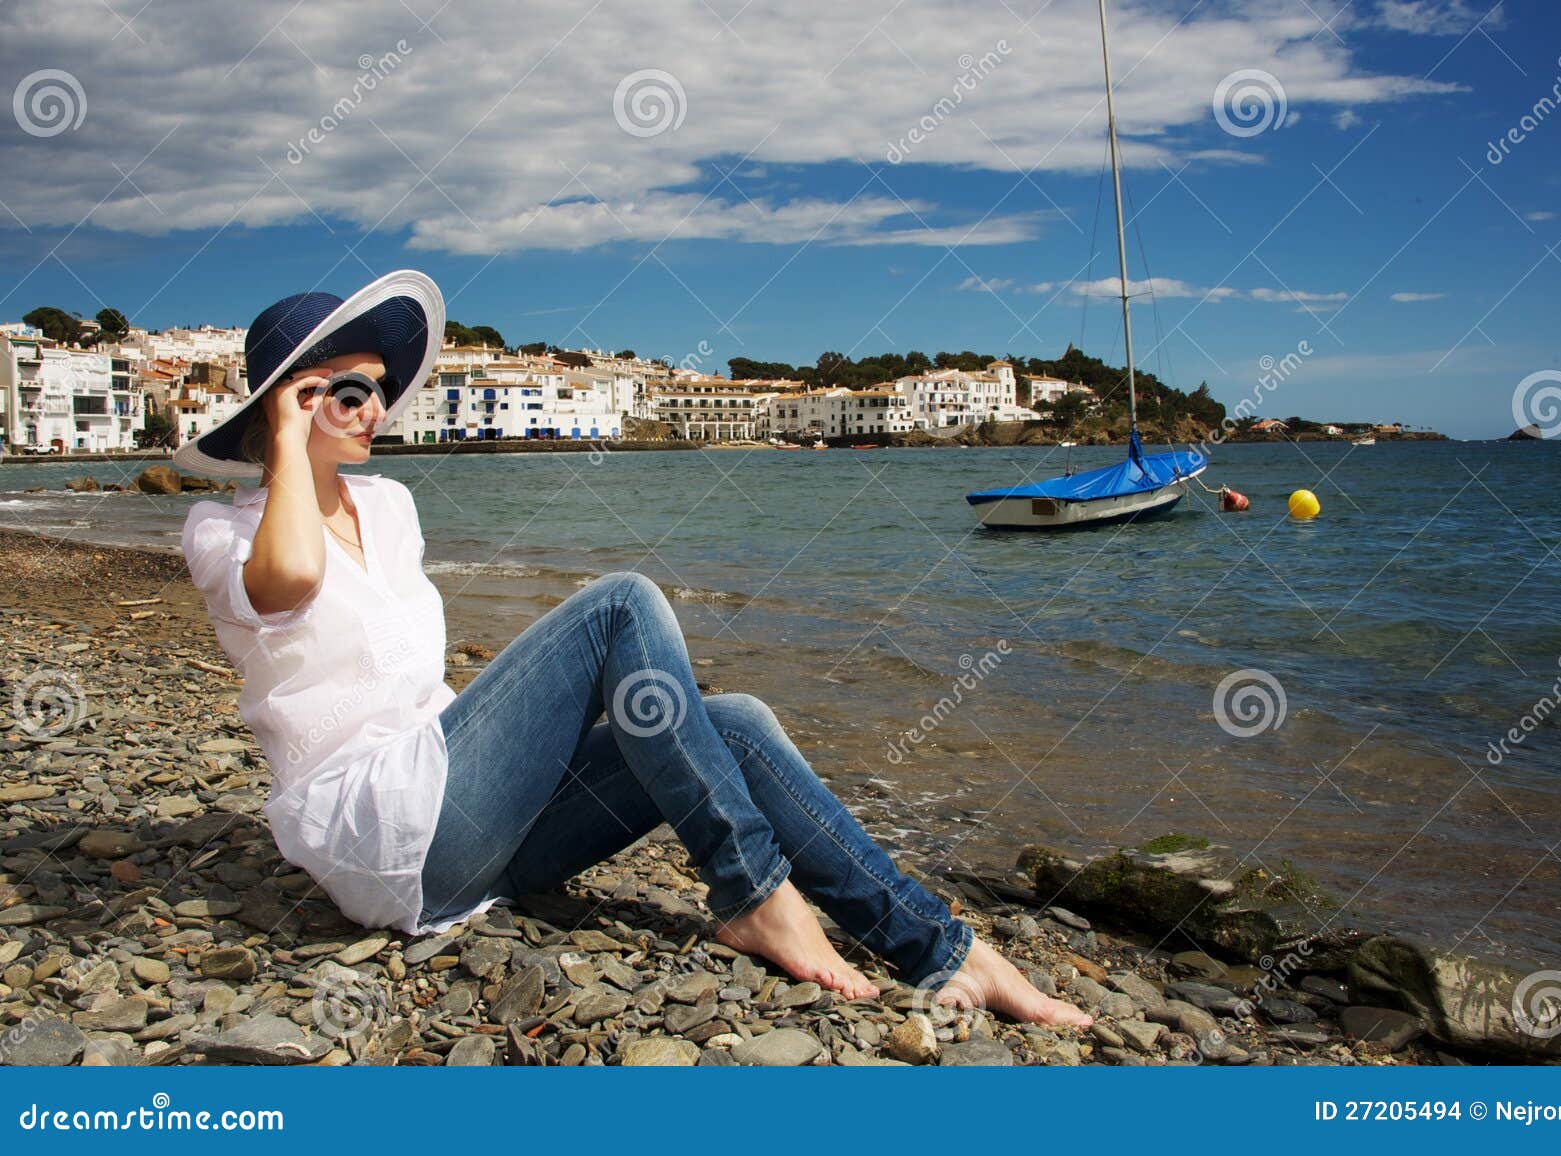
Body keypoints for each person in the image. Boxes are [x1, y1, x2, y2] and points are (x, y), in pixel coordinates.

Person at [176, 270, 1094, 1028]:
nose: (378, 406)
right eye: (348, 389)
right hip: (383, 834)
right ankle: (752, 896)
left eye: (380, 387)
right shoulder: (224, 531)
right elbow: (288, 583)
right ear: (289, 400)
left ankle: (947, 950)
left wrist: (311, 422)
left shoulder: (389, 507)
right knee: (621, 606)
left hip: (478, 834)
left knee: (731, 722)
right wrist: (290, 439)